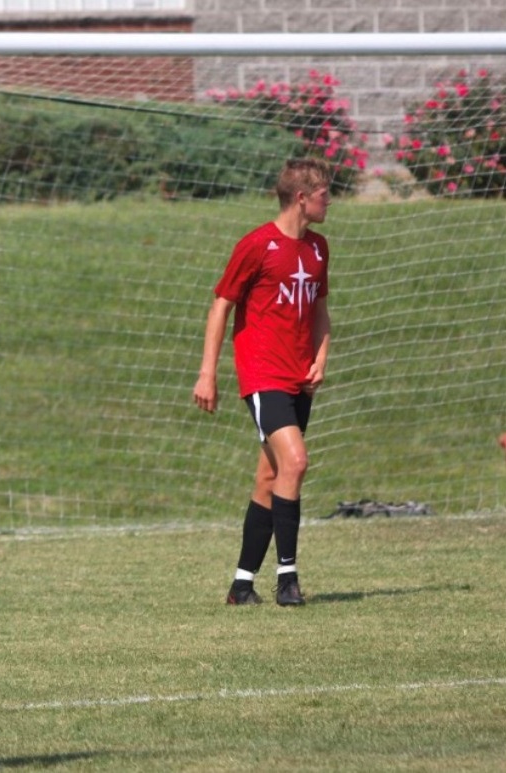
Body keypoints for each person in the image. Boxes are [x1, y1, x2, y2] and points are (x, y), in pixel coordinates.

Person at [193, 158, 333, 608]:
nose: (329, 200)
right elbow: (221, 305)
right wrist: (207, 373)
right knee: (296, 462)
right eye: (324, 193)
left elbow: (320, 310)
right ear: (301, 197)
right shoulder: (256, 245)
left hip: (298, 378)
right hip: (262, 375)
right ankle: (287, 578)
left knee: (270, 476)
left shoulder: (318, 248)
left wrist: (321, 358)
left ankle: (240, 585)